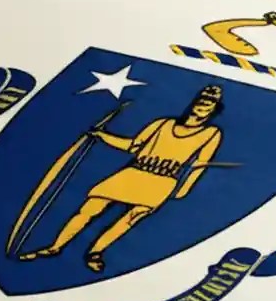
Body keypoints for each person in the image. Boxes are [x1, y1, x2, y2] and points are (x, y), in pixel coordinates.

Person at [20, 84, 225, 273]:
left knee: (129, 219)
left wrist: (184, 188)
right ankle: (56, 247)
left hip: (162, 181)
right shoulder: (163, 123)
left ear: (213, 110)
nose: (203, 105)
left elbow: (200, 164)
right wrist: (103, 135)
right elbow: (133, 146)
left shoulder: (211, 133)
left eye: (209, 103)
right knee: (90, 208)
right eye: (202, 100)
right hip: (135, 172)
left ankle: (95, 252)